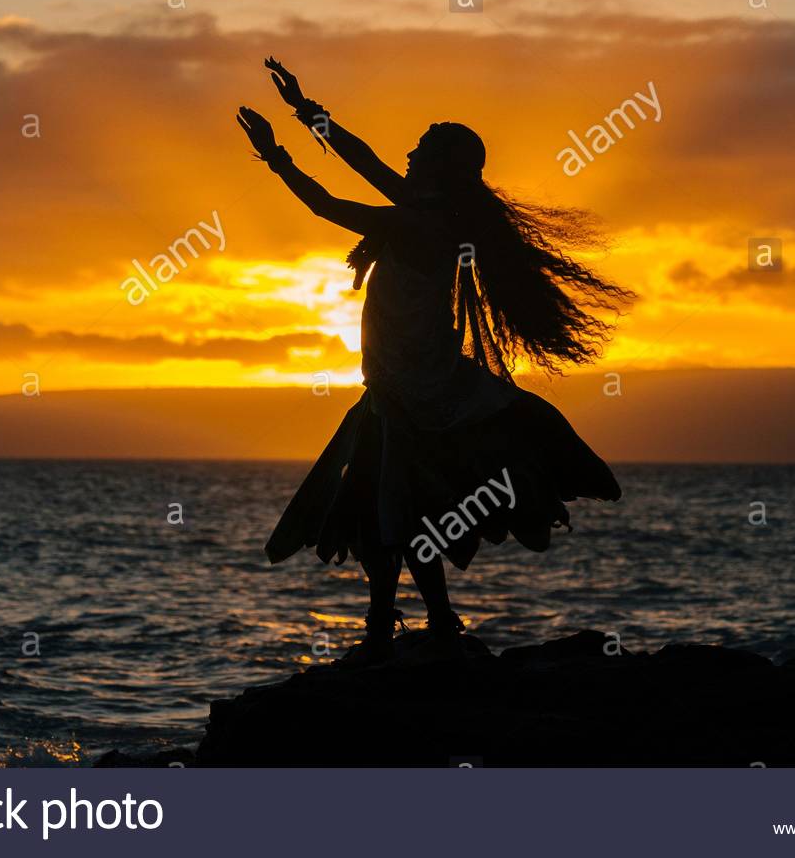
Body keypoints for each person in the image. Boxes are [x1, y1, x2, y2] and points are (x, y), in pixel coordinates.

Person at [234, 58, 633, 665]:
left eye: (421, 150)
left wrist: (276, 155)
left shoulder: (416, 226)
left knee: (390, 505)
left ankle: (386, 623)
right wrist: (304, 109)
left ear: (442, 168)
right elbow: (363, 159)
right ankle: (429, 619)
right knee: (397, 506)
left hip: (418, 392)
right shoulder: (424, 216)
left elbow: (325, 205)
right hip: (400, 386)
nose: (410, 155)